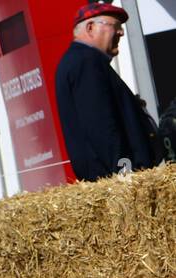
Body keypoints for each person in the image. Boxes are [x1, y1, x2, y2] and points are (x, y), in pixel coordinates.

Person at [55, 2, 159, 182]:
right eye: (115, 26)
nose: (121, 32)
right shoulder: (86, 63)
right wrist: (125, 175)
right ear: (90, 28)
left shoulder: (82, 61)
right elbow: (102, 128)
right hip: (117, 181)